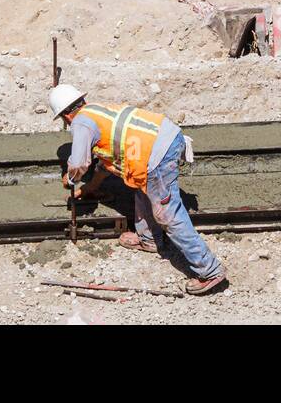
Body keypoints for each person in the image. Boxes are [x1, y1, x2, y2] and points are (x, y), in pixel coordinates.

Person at [49, 83, 227, 295]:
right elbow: (107, 161)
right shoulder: (96, 111)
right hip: (164, 136)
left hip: (158, 153)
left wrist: (70, 178)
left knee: (168, 214)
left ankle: (210, 270)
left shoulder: (81, 123)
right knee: (142, 185)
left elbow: (79, 164)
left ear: (65, 116)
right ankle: (149, 239)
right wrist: (91, 187)